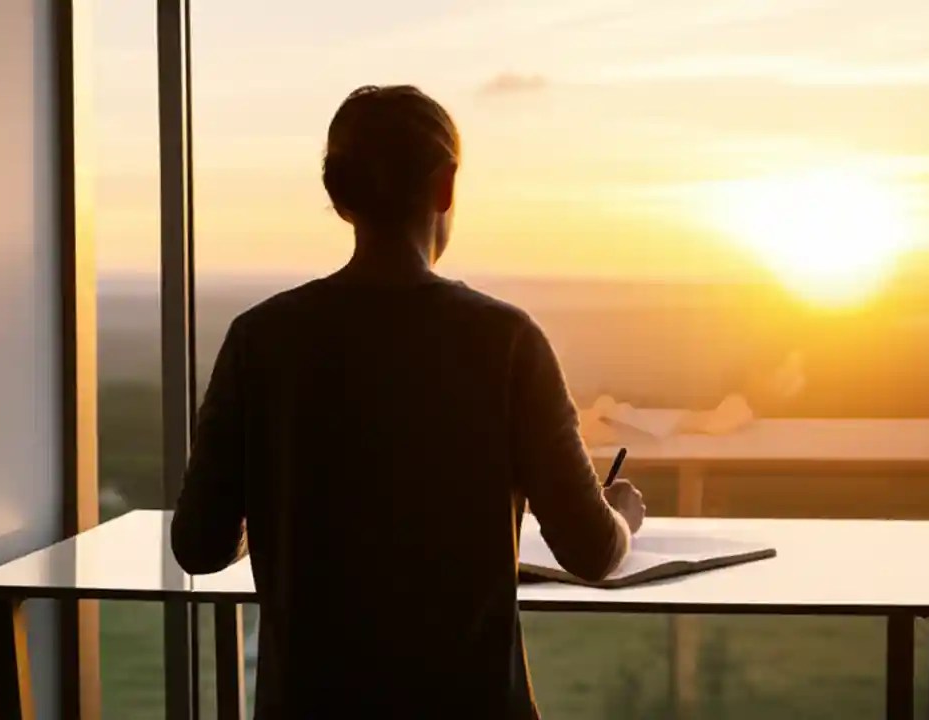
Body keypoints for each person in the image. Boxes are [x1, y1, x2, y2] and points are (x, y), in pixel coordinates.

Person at [172, 85, 646, 719]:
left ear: (339, 197)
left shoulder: (260, 340)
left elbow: (200, 546)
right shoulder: (507, 342)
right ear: (445, 186)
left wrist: (279, 501)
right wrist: (621, 517)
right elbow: (591, 552)